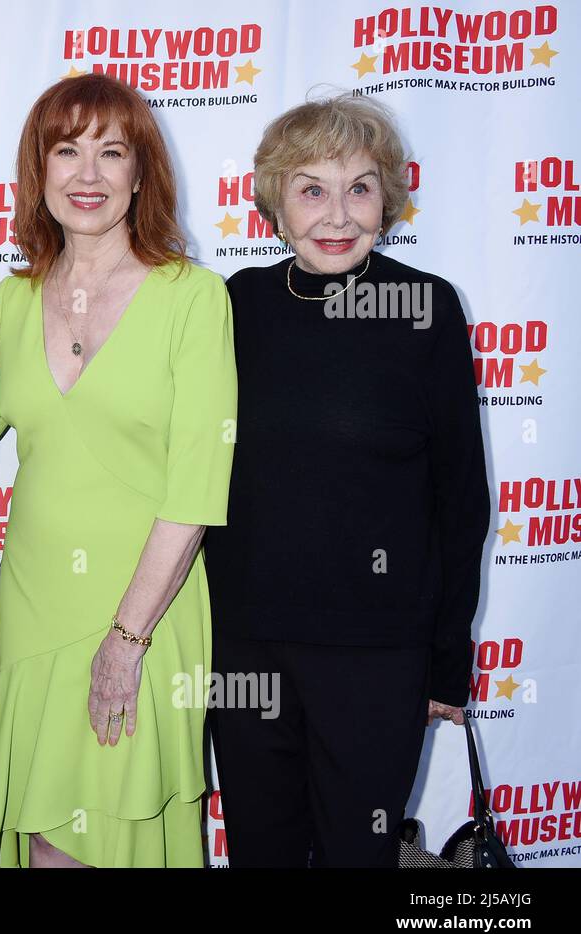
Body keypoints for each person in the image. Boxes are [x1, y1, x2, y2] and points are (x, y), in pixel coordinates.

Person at [205, 94, 490, 867]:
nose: (337, 213)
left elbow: (462, 501)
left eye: (360, 187)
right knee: (262, 855)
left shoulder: (427, 309)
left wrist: (446, 661)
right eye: (311, 188)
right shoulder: (234, 306)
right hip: (245, 650)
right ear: (275, 202)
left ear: (387, 200)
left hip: (377, 658)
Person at [0, 73, 237, 868]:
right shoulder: (8, 304)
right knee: (50, 845)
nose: (88, 174)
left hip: (145, 617)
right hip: (35, 615)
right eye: (67, 151)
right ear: (38, 171)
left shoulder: (193, 298)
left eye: (111, 152)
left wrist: (126, 640)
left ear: (141, 173)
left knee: (112, 841)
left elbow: (194, 490)